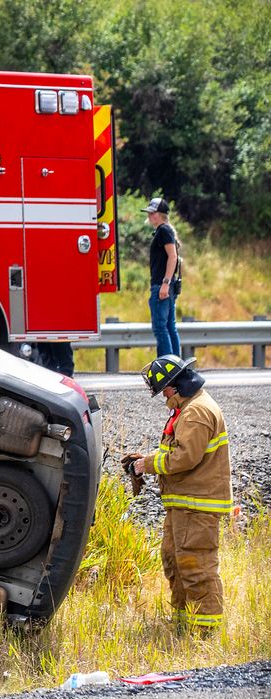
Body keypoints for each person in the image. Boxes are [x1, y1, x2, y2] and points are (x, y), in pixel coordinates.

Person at [124, 354, 231, 634]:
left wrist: (148, 465)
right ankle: (184, 625)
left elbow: (185, 457)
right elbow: (177, 451)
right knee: (175, 562)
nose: (165, 398)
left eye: (165, 392)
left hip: (197, 506)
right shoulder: (189, 408)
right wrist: (146, 460)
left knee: (196, 566)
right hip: (185, 505)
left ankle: (205, 634)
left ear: (175, 387)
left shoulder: (196, 412)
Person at [145, 197, 181, 356]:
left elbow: (173, 257)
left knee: (160, 327)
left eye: (152, 213)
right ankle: (175, 364)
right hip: (165, 284)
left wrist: (165, 283)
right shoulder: (164, 231)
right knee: (169, 326)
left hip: (162, 285)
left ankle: (167, 364)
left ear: (160, 215)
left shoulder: (164, 231)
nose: (149, 216)